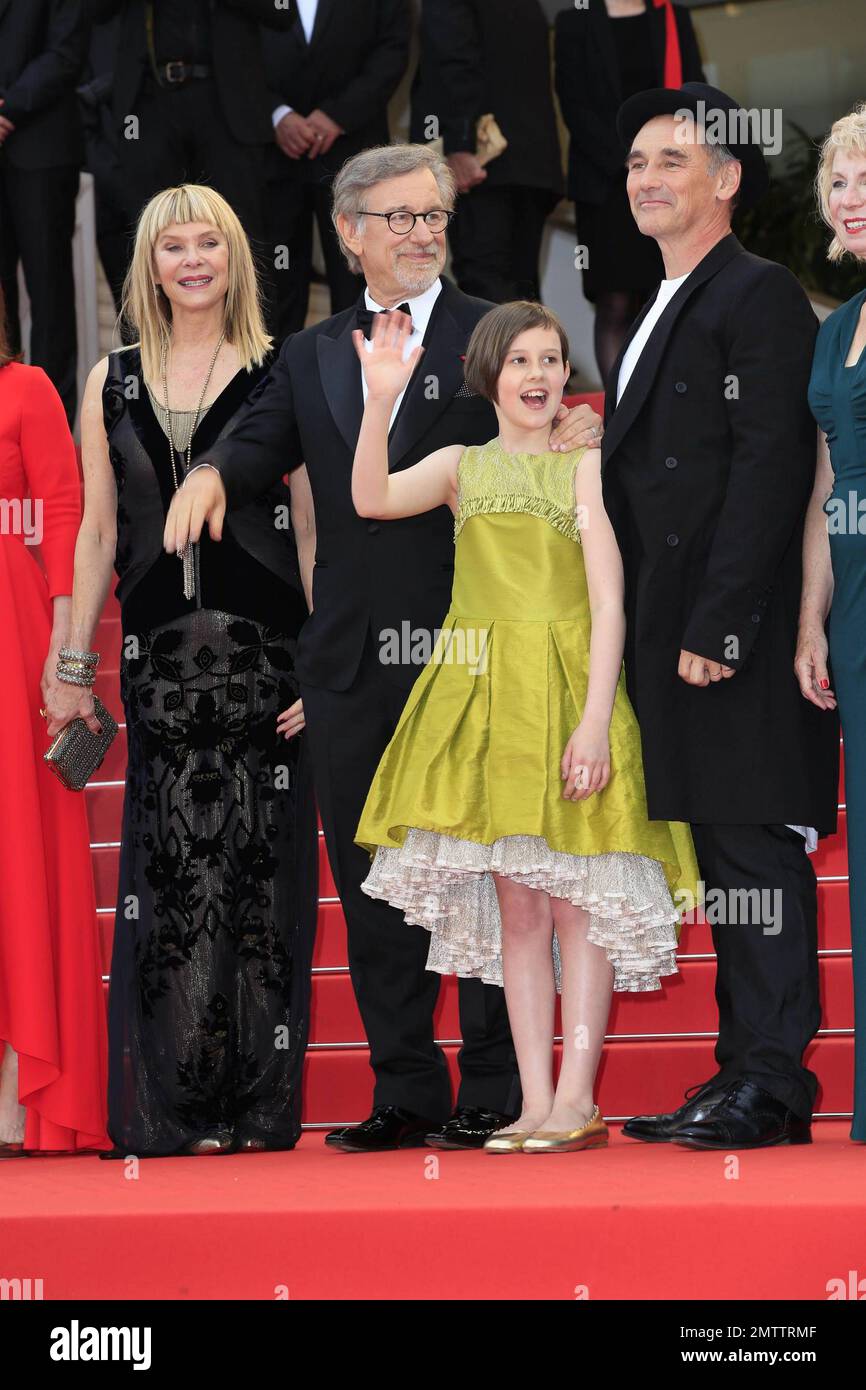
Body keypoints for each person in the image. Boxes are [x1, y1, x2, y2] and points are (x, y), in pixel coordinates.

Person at [163, 143, 603, 1153]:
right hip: (353, 658)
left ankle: (498, 1085)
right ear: (347, 230)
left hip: (481, 652)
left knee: (498, 872)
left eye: (430, 215)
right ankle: (405, 1084)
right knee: (373, 880)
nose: (418, 233)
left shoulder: (492, 331)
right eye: (396, 217)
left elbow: (550, 414)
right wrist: (216, 475)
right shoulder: (313, 352)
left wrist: (577, 434)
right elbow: (257, 436)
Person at [352, 300, 700, 1153]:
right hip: (483, 701)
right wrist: (378, 400)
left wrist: (592, 723)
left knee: (580, 905)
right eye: (520, 362)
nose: (538, 376)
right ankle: (534, 1103)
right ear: (489, 378)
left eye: (551, 360)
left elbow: (611, 599)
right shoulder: (458, 466)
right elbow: (369, 498)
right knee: (519, 912)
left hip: (568, 689)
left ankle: (578, 1098)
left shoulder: (583, 467)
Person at [44, 184, 318, 1156]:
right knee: (170, 893)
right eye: (174, 246)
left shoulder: (281, 368)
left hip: (264, 664)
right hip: (159, 666)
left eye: (209, 242)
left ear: (234, 258)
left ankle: (252, 1105)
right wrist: (71, 661)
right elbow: (95, 533)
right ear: (148, 266)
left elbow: (312, 526)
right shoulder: (107, 380)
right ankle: (176, 1107)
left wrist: (318, 668)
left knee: (260, 890)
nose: (193, 259)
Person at [602, 83, 840, 1150]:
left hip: (724, 633)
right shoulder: (661, 297)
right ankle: (736, 1069)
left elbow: (767, 469)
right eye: (634, 164)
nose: (645, 179)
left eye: (670, 161)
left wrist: (721, 624)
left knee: (751, 853)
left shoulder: (756, 295)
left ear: (727, 179)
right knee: (720, 850)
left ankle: (773, 1085)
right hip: (671, 631)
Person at [0, 286, 109, 1157]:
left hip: (12, 635)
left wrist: (65, 650)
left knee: (19, 852)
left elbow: (63, 512)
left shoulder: (26, 386)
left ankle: (17, 1085)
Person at [796, 103, 866, 1142]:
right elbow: (817, 483)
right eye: (838, 184)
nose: (849, 198)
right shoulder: (835, 325)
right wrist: (810, 620)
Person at [88, 0, 295, 323]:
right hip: (150, 104)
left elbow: (282, 13)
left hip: (229, 111)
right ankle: (153, 358)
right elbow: (95, 11)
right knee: (149, 235)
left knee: (243, 238)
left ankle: (255, 360)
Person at [555, 0, 704, 386]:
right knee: (615, 301)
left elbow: (694, 95)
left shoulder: (672, 16)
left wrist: (660, 163)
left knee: (669, 297)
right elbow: (573, 103)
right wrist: (634, 163)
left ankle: (667, 404)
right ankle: (619, 412)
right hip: (605, 185)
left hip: (671, 183)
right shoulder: (574, 21)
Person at [265, 0, 411, 338]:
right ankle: (271, 383)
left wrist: (339, 115)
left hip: (355, 156)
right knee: (272, 280)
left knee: (358, 277)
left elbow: (393, 50)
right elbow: (235, 51)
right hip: (269, 157)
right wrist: (277, 115)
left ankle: (359, 379)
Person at [410, 0, 562, 304]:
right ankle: (525, 352)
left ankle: (503, 353)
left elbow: (455, 61)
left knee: (486, 289)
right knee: (522, 291)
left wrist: (462, 145)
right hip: (530, 163)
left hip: (483, 162)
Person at [0, 0, 87, 427]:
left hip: (42, 145)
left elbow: (67, 50)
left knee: (49, 290)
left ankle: (50, 422)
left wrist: (7, 108)